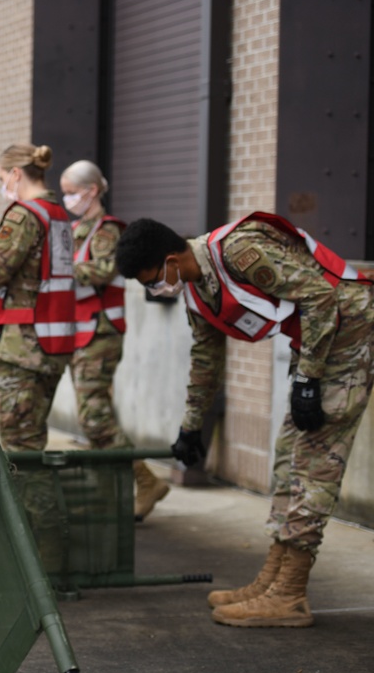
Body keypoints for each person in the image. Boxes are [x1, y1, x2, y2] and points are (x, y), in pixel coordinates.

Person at [115, 213, 374, 628]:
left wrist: (308, 378)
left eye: (152, 279)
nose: (154, 289)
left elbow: (321, 297)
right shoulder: (197, 292)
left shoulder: (237, 251)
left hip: (351, 330)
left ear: (171, 260)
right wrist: (191, 426)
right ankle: (273, 579)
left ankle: (290, 594)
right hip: (321, 341)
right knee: (290, 455)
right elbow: (205, 359)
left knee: (315, 463)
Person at [0, 143, 75, 571]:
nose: (2, 186)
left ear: (16, 174)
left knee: (24, 456)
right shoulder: (59, 215)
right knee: (33, 447)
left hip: (23, 348)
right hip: (51, 343)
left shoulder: (25, 215)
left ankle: (43, 563)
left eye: (2, 178)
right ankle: (46, 555)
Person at [60, 160, 170, 520]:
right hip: (83, 331)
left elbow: (107, 268)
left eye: (72, 192)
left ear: (92, 191)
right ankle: (108, 495)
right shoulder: (77, 229)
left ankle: (146, 481)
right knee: (93, 416)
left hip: (100, 331)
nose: (67, 199)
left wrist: (58, 268)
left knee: (95, 418)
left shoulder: (107, 230)